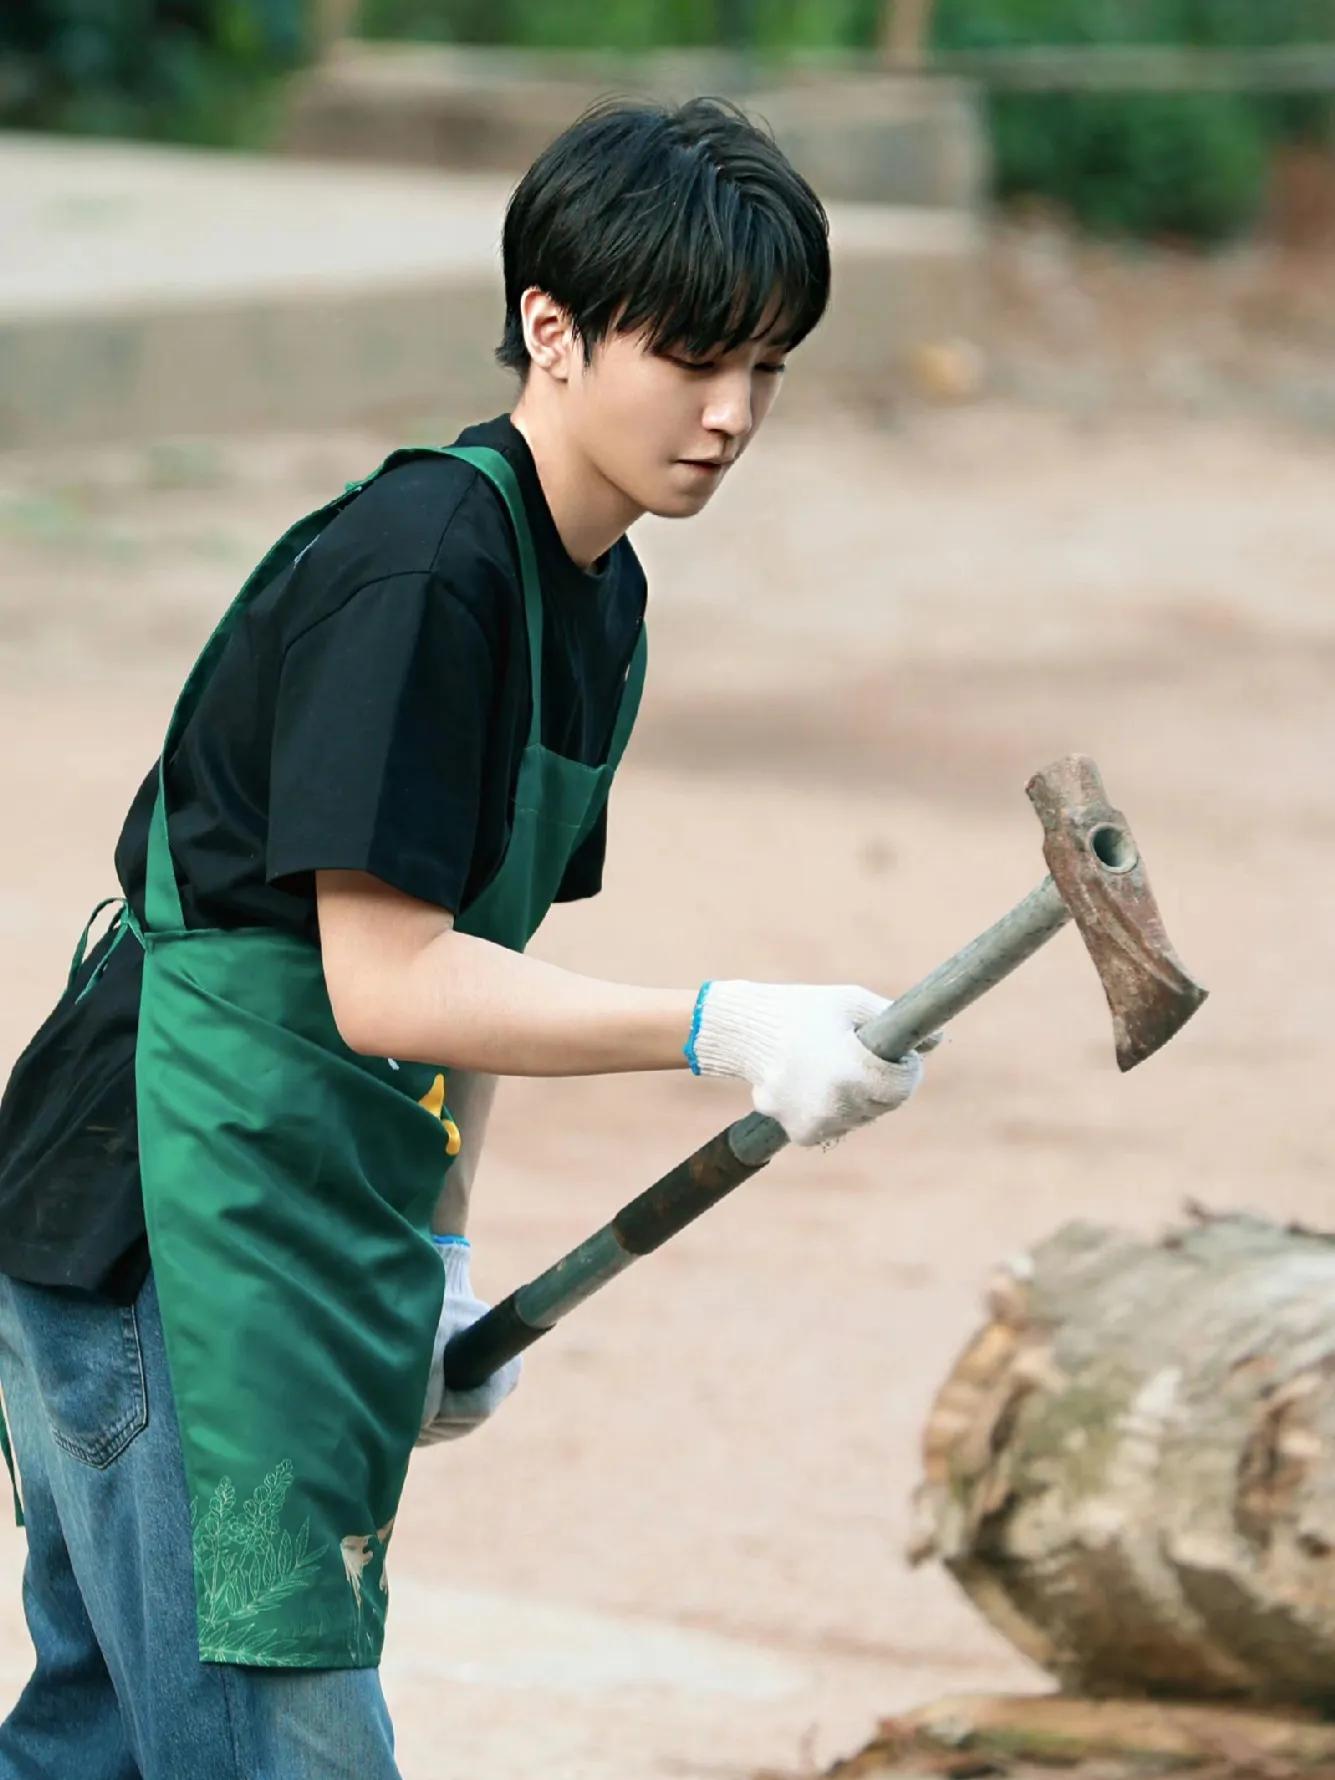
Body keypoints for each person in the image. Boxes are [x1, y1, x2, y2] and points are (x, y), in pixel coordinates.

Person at [0, 95, 930, 1777]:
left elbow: (477, 951)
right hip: (157, 1230)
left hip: (289, 1211)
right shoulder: (426, 569)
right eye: (692, 358)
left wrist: (440, 1259)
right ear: (551, 331)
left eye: (767, 367)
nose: (731, 414)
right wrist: (725, 1025)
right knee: (271, 1743)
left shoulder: (599, 595)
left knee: (101, 1749)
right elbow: (388, 982)